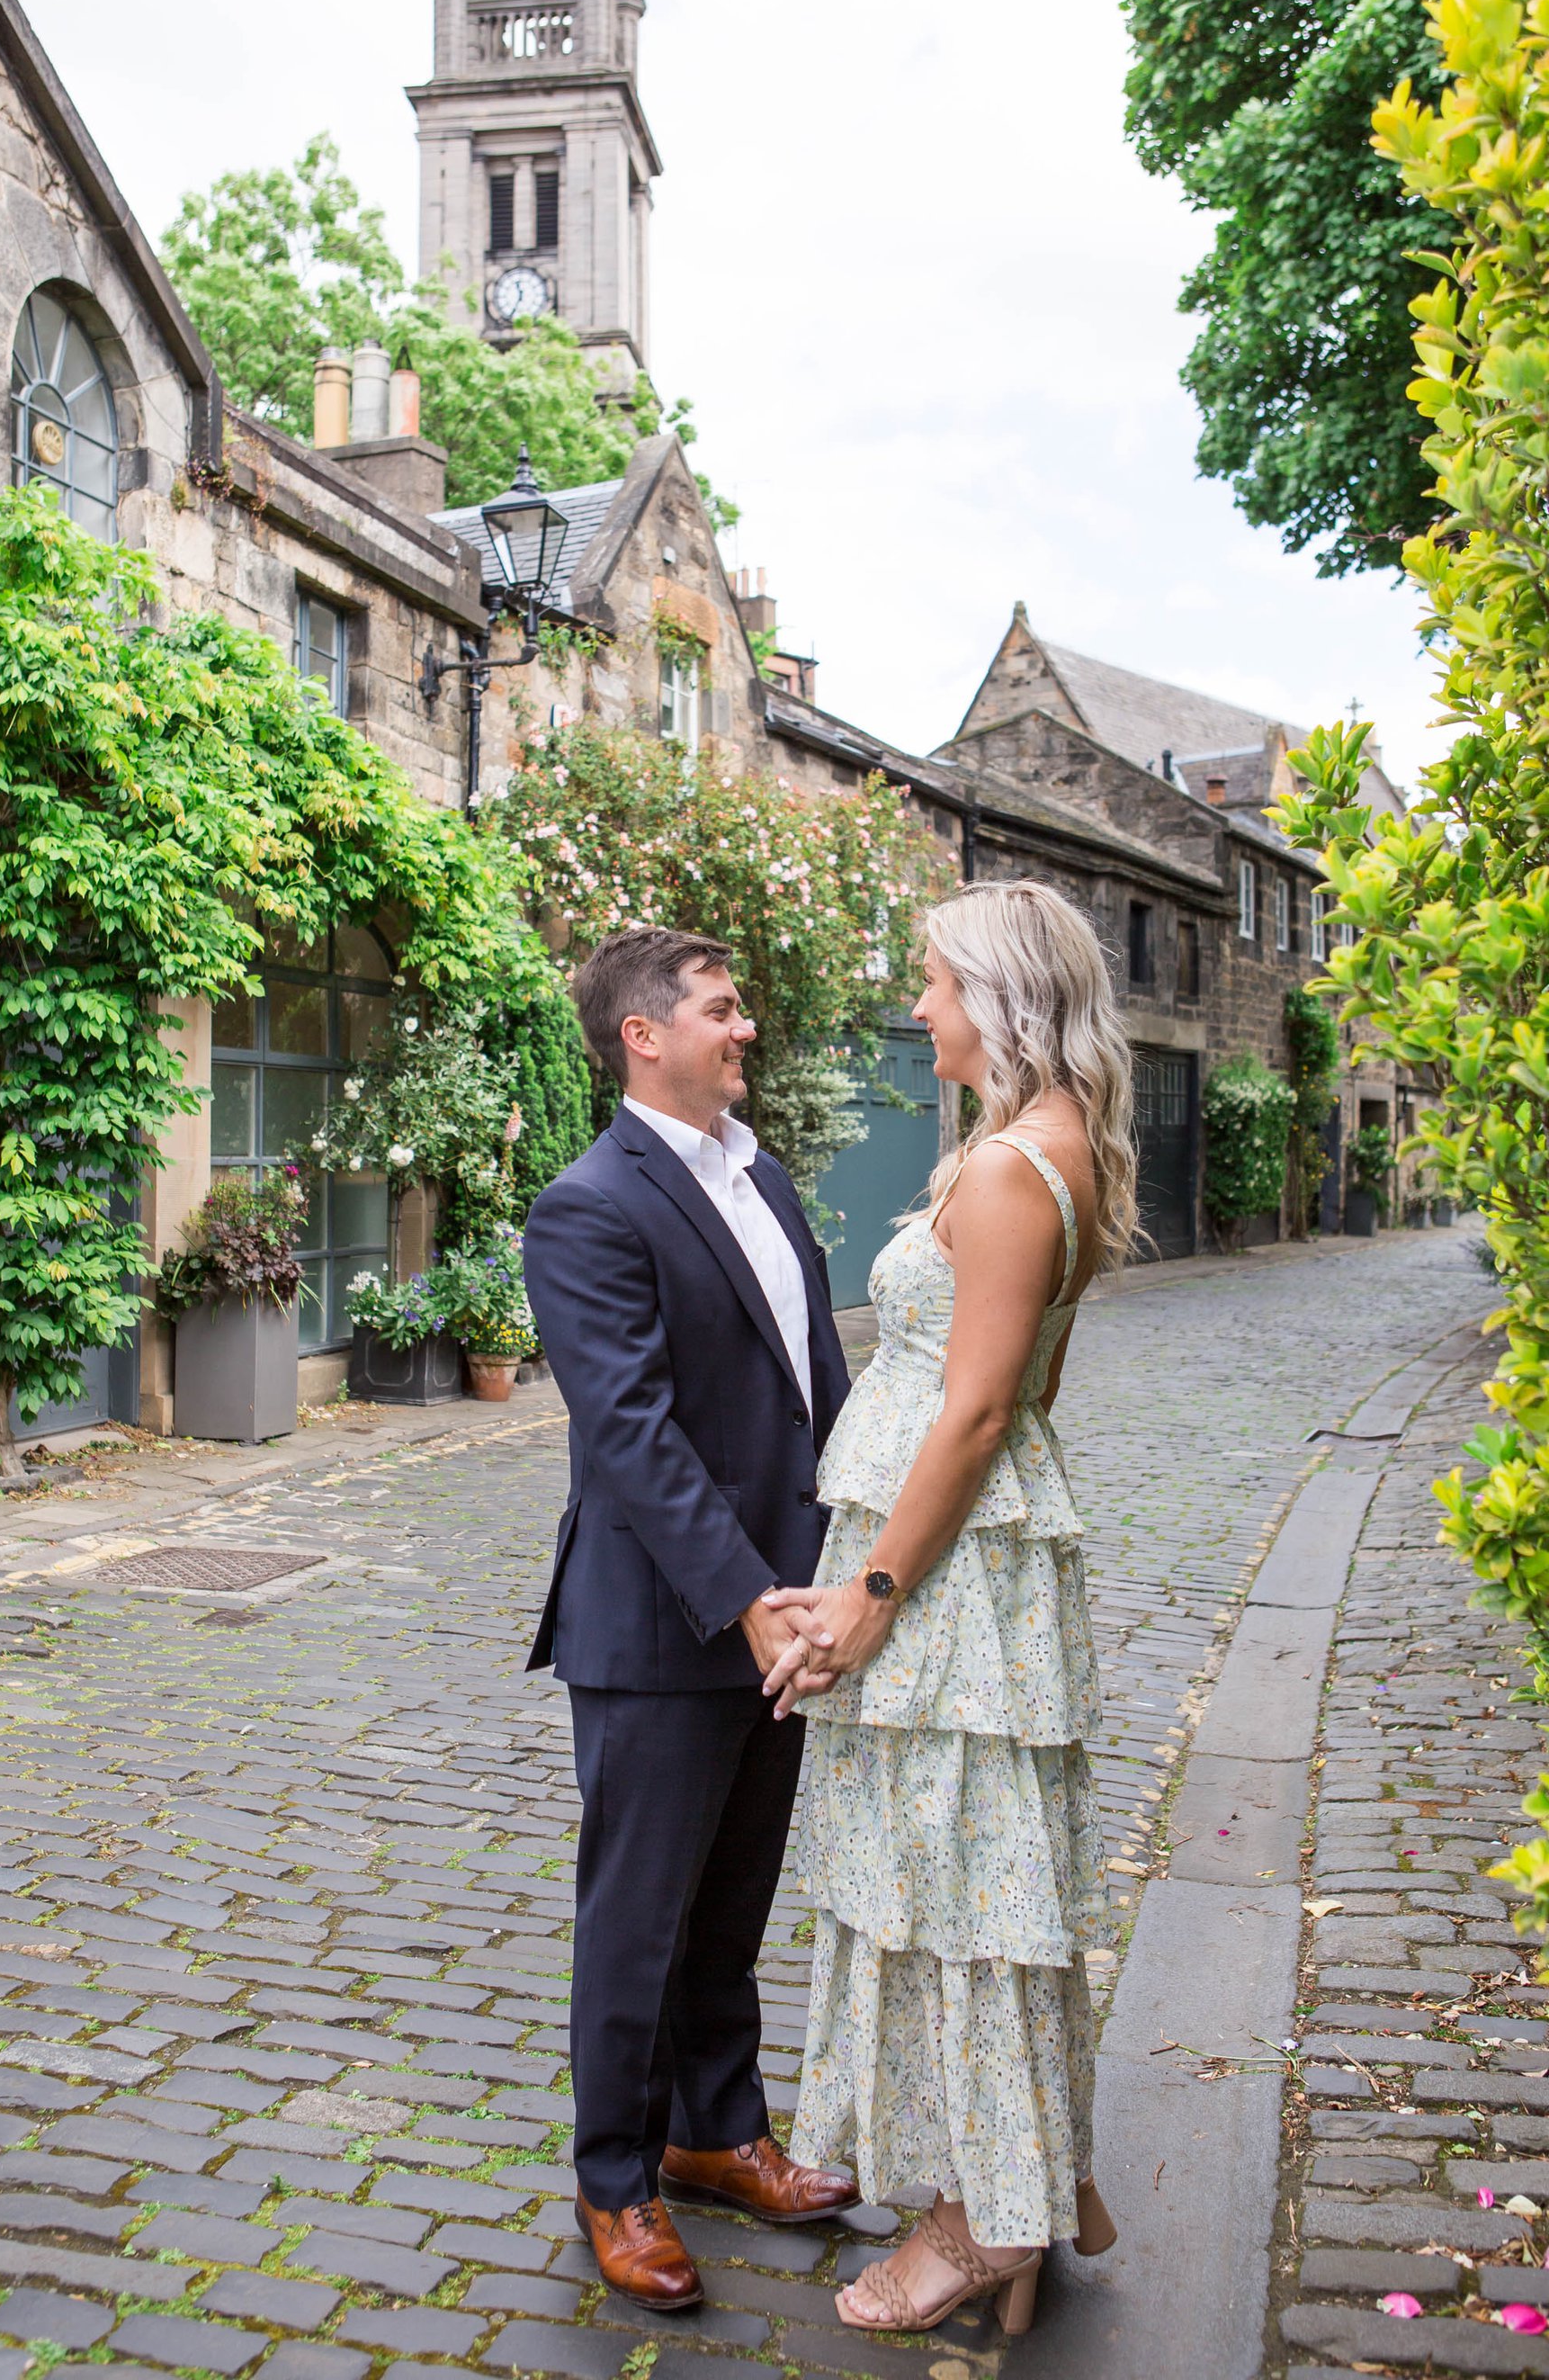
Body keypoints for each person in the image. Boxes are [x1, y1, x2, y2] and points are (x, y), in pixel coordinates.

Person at [762, 879, 1134, 2340]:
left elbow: (980, 1414)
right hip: (974, 1573)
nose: (917, 1008)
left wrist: (866, 1591)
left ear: (1000, 997)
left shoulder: (1004, 1171)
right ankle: (1026, 2188)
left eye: (933, 983)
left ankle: (983, 2222)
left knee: (958, 1899)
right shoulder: (1048, 1151)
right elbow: (1025, 1395)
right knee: (981, 1892)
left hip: (949, 1589)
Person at [523, 924, 858, 2312]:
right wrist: (746, 1604)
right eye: (723, 1011)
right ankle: (616, 2181)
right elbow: (632, 1436)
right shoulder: (587, 1205)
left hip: (790, 1602)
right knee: (638, 1916)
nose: (747, 1031)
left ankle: (717, 2130)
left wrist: (845, 1567)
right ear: (641, 1036)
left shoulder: (761, 1173)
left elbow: (812, 1382)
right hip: (671, 1625)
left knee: (732, 1902)